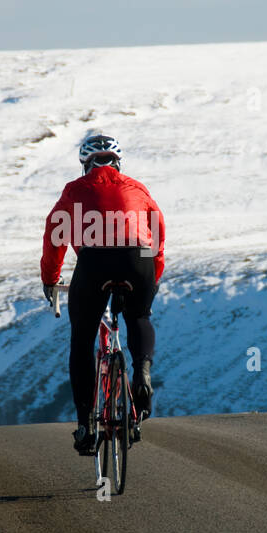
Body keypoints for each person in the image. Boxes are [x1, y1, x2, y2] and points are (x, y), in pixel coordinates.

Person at [41, 133, 165, 455]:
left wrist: (51, 279)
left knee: (82, 340)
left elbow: (55, 234)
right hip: (139, 261)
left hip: (94, 262)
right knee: (139, 316)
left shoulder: (74, 190)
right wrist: (152, 281)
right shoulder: (138, 188)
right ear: (118, 163)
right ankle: (143, 373)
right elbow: (157, 234)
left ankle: (84, 425)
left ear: (85, 165)